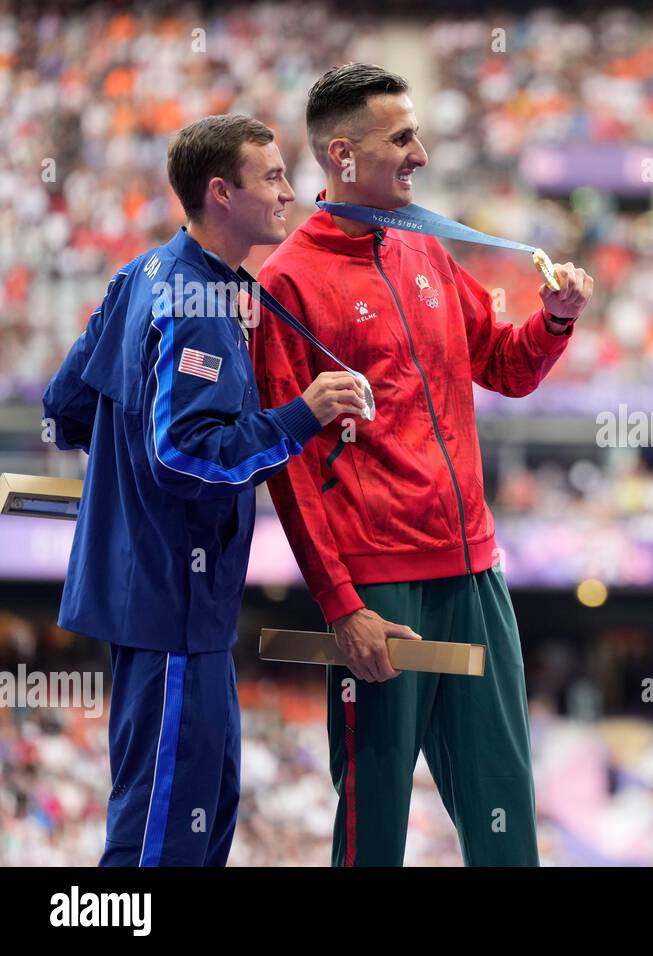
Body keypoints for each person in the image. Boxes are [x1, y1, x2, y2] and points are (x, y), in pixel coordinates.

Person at [252, 63, 594, 866]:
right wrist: (342, 607)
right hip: (380, 587)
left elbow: (505, 369)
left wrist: (553, 321)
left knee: (505, 812)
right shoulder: (287, 284)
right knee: (374, 825)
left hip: (477, 574)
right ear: (342, 156)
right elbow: (287, 464)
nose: (423, 154)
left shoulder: (425, 249)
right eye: (401, 138)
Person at [42, 114, 365, 866]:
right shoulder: (202, 306)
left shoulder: (144, 273)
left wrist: (129, 504)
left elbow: (66, 407)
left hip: (168, 604)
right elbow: (186, 455)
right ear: (221, 193)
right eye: (274, 177)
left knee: (198, 816)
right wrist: (301, 415)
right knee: (159, 836)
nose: (292, 192)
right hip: (174, 608)